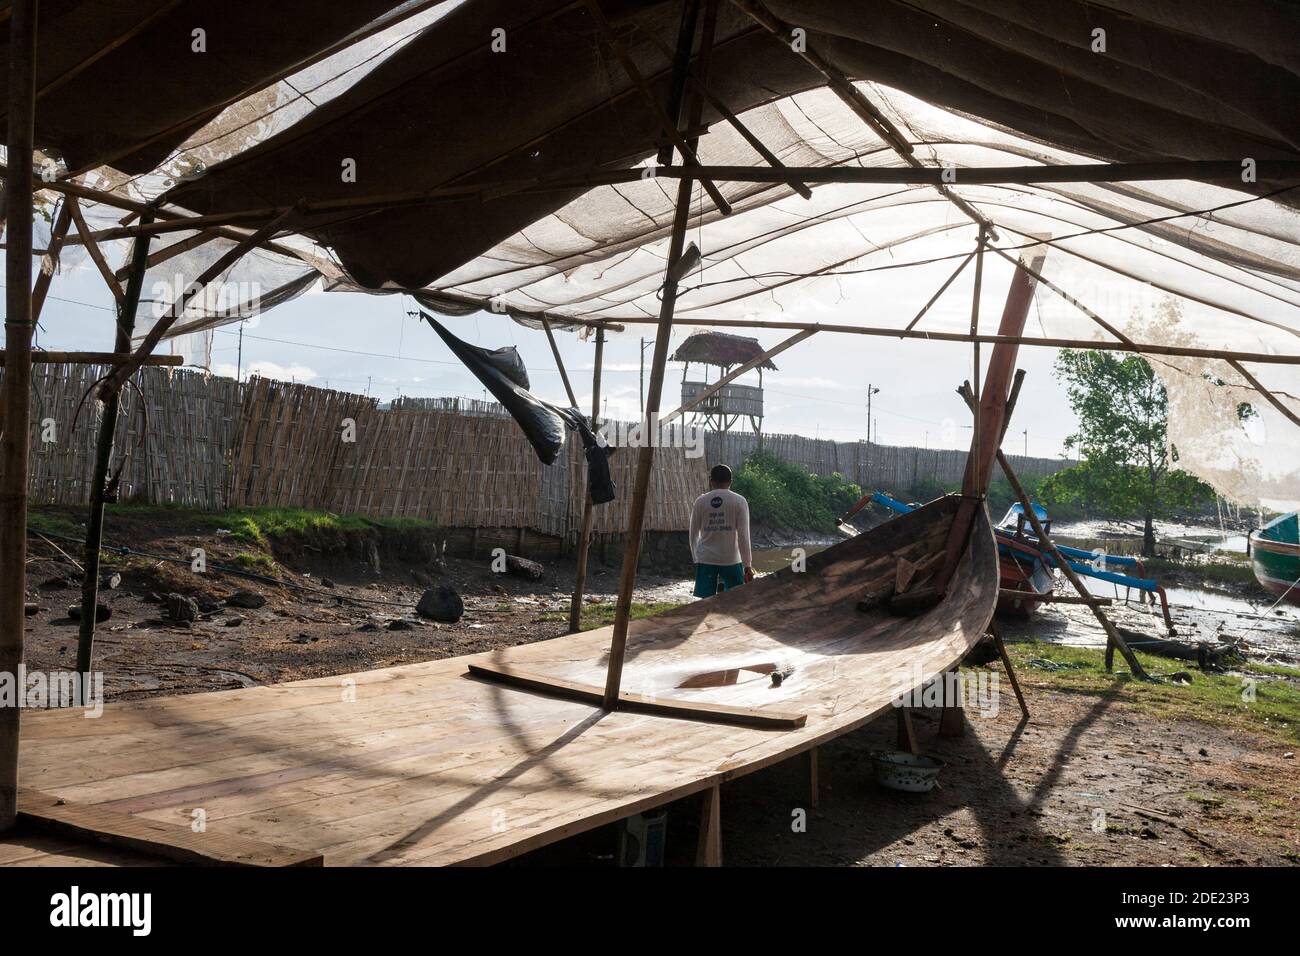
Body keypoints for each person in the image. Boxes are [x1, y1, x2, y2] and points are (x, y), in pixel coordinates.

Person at [689, 463, 755, 598]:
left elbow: (693, 533)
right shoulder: (739, 501)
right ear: (730, 482)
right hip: (731, 559)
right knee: (736, 600)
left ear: (711, 481)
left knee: (704, 603)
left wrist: (697, 558)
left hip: (706, 559)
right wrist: (747, 565)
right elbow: (743, 536)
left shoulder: (700, 501)